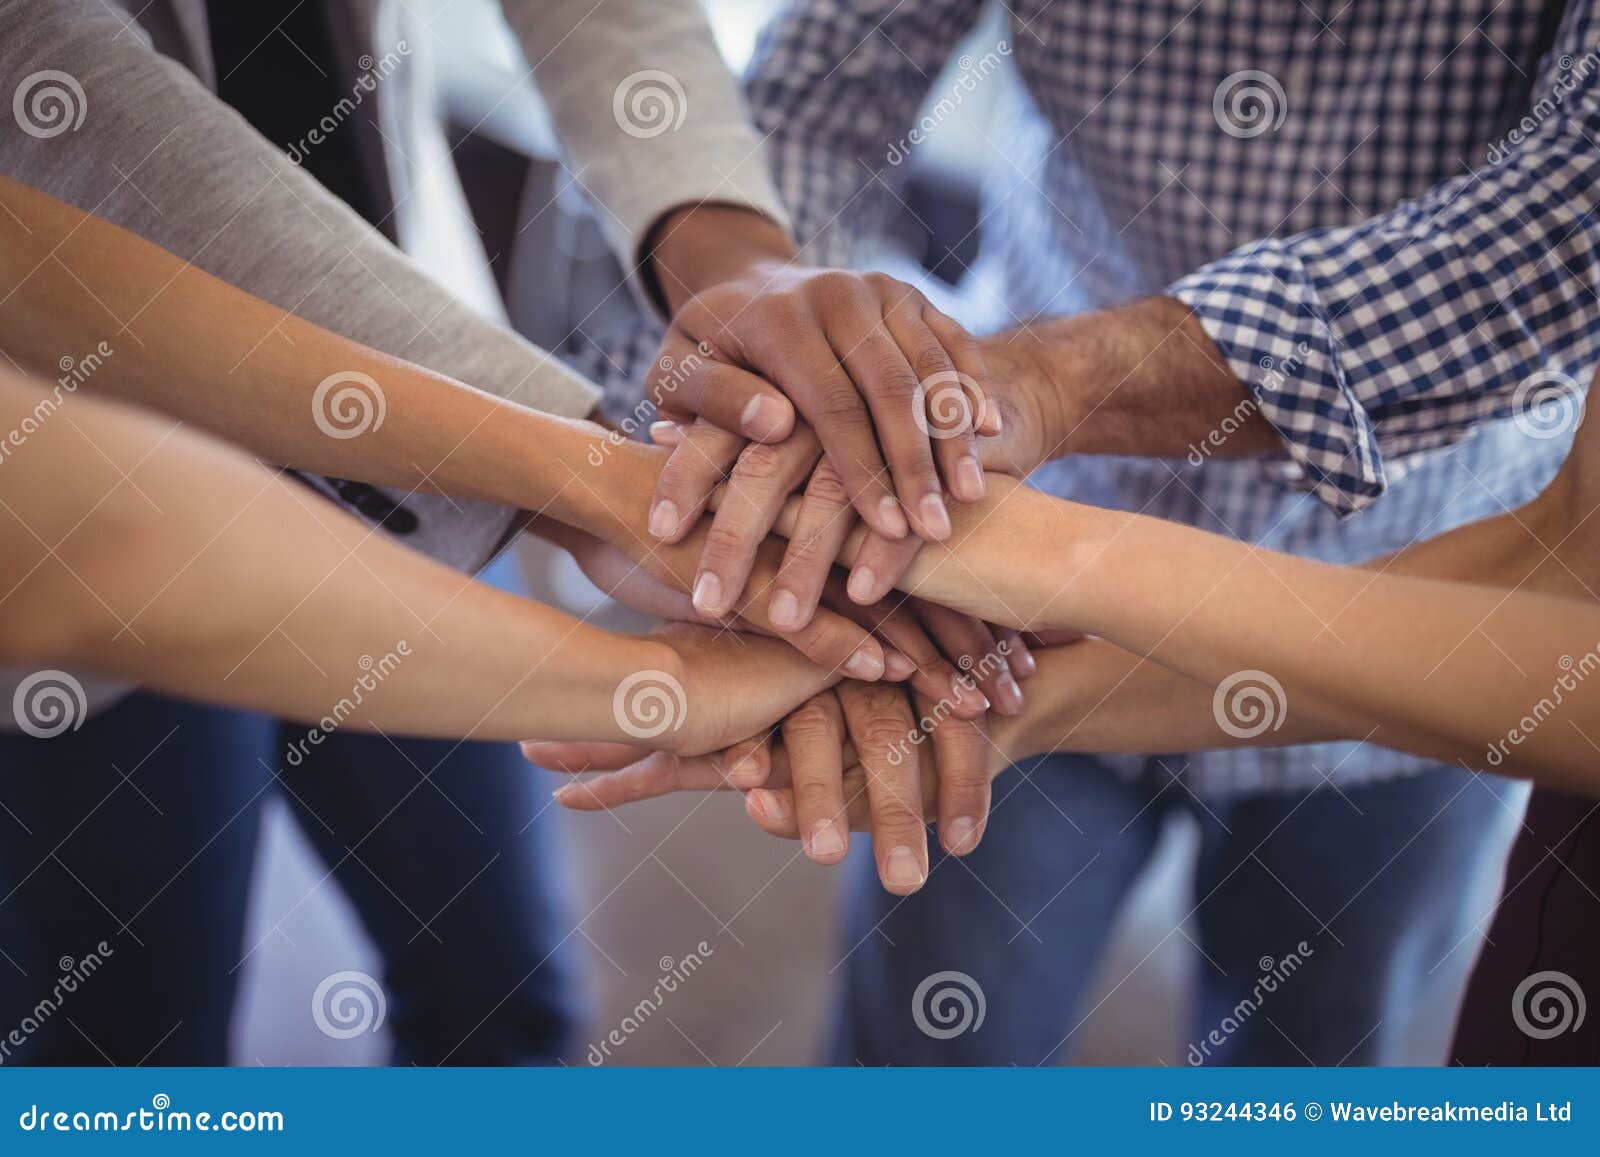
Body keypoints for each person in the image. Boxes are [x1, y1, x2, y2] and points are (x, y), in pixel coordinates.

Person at [560, 0, 1600, 1064]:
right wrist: (783, 368)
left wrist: (1046, 424)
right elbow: (822, 74)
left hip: (1424, 583)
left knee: (1309, 1073)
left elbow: (1563, 235)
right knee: (932, 1059)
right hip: (990, 580)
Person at [0, 0, 1011, 1063]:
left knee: (502, 998)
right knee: (136, 1051)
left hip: (417, 426)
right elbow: (50, 134)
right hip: (84, 491)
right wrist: (605, 527)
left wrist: (734, 262)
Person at [536, 369, 1600, 1061]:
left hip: (1413, 740)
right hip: (1002, 612)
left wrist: (1064, 557)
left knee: (1302, 1071)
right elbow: (1562, 560)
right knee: (929, 1057)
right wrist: (1019, 701)